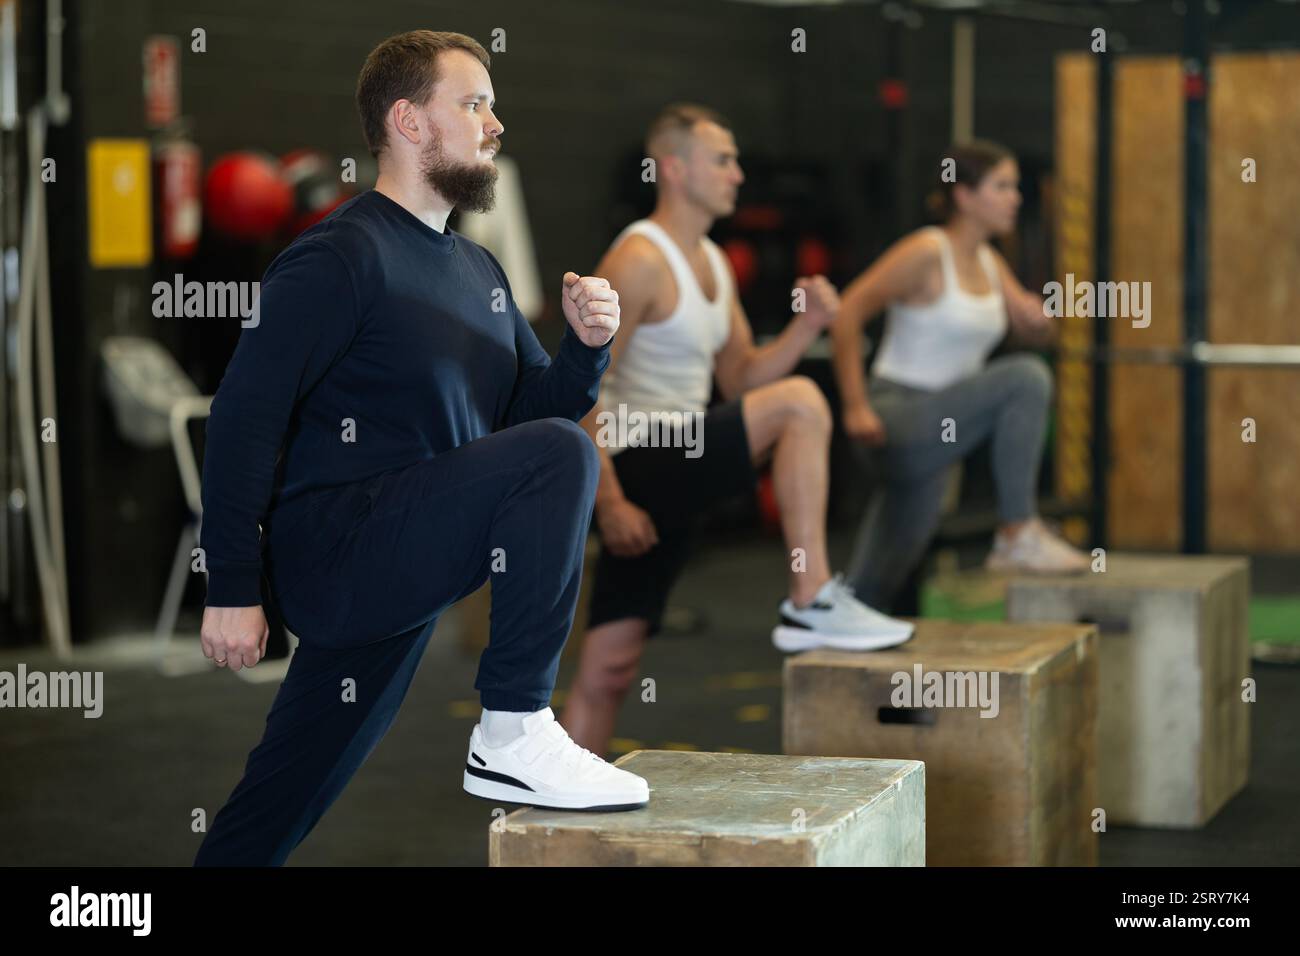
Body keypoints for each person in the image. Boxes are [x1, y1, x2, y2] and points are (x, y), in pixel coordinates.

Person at [194, 30, 646, 867]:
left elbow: (533, 414)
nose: (494, 123)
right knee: (560, 453)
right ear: (407, 121)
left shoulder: (479, 271)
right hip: (341, 550)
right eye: (473, 103)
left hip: (407, 550)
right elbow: (243, 417)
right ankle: (513, 729)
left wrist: (585, 346)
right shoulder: (340, 255)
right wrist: (229, 584)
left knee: (275, 806)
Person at [560, 104, 913, 757]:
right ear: (674, 167)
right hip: (641, 456)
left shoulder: (717, 263)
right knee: (803, 401)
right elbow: (580, 386)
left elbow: (745, 379)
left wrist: (807, 328)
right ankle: (810, 596)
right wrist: (608, 501)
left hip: (685, 460)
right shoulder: (638, 258)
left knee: (610, 663)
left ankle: (560, 823)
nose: (737, 173)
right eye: (722, 159)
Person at [830, 139, 1089, 614]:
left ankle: (835, 629)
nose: (1016, 198)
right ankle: (1017, 532)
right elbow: (847, 312)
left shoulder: (991, 263)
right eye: (1003, 187)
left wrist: (1038, 322)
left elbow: (1037, 334)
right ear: (965, 197)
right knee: (1025, 379)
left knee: (889, 563)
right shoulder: (928, 250)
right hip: (897, 416)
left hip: (941, 430)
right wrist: (853, 405)